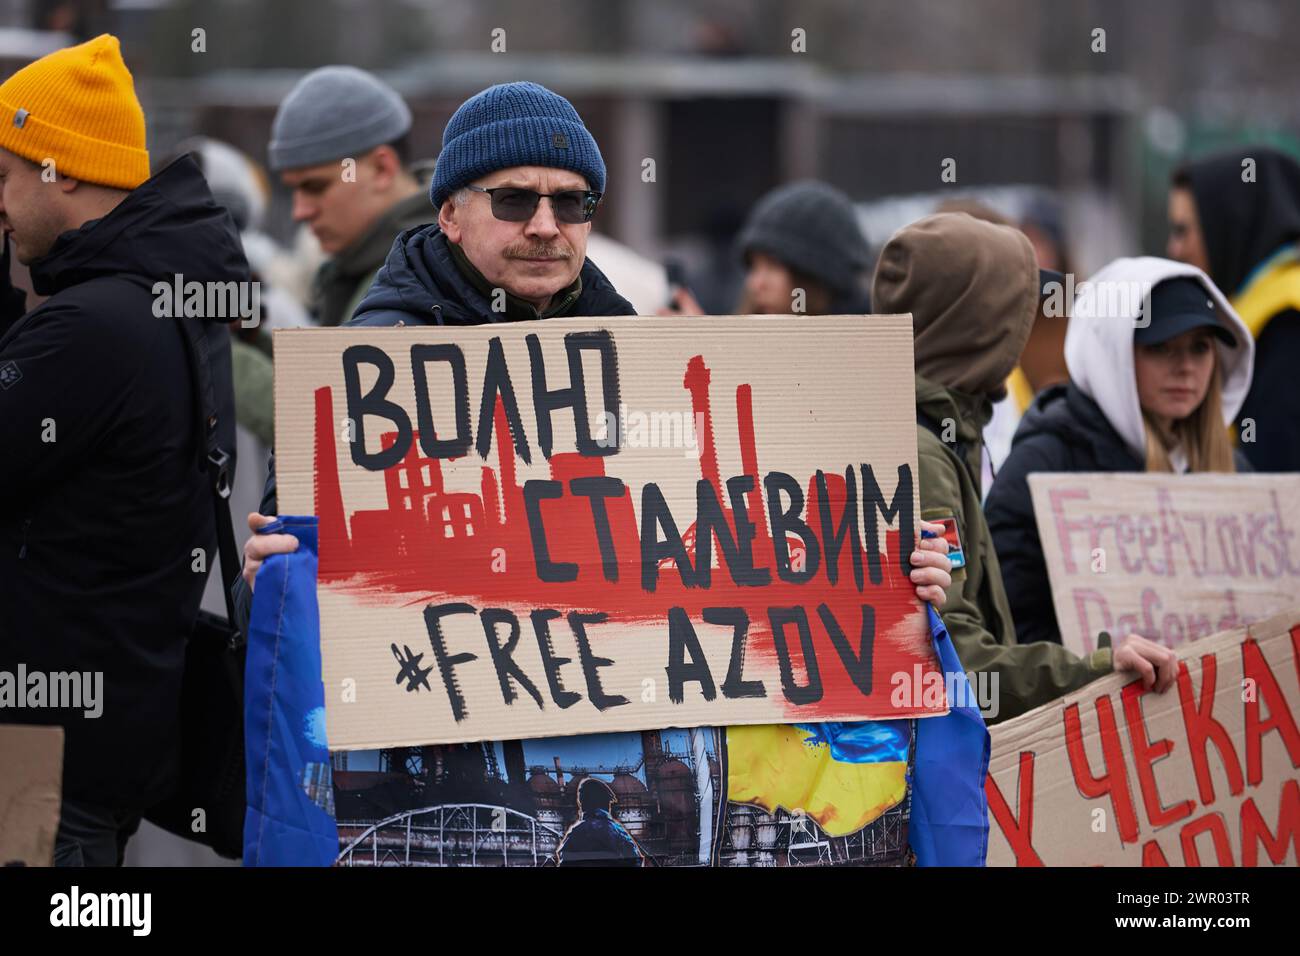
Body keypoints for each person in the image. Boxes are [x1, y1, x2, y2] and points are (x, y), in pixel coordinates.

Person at [0, 35, 244, 865]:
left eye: (2, 175)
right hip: (106, 748)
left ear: (58, 169)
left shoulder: (92, 327)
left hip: (33, 761)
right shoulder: (173, 300)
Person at [871, 213, 1178, 723]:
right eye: (1012, 310)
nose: (1028, 326)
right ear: (974, 327)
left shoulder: (934, 431)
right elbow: (955, 657)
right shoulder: (921, 454)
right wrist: (1092, 669)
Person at [986, 258, 1253, 649]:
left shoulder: (1235, 472)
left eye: (1200, 347)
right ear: (1110, 352)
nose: (1186, 368)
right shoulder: (1041, 468)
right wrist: (1102, 664)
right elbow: (1007, 634)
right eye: (1160, 347)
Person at [268, 66, 435, 328]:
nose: (300, 211)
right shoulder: (392, 265)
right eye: (294, 189)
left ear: (382, 169)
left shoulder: (428, 272)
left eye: (315, 186)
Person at [1168, 146, 1300, 471]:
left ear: (1226, 225)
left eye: (1183, 230)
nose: (1175, 248)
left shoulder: (1282, 325)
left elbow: (1274, 484)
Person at [666, 179, 871, 316]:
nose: (756, 284)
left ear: (818, 276)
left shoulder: (872, 351)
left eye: (772, 265)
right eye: (753, 267)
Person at [555, 778, 644, 866]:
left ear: (583, 803)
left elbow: (564, 861)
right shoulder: (616, 831)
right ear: (605, 803)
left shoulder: (575, 833)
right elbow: (636, 861)